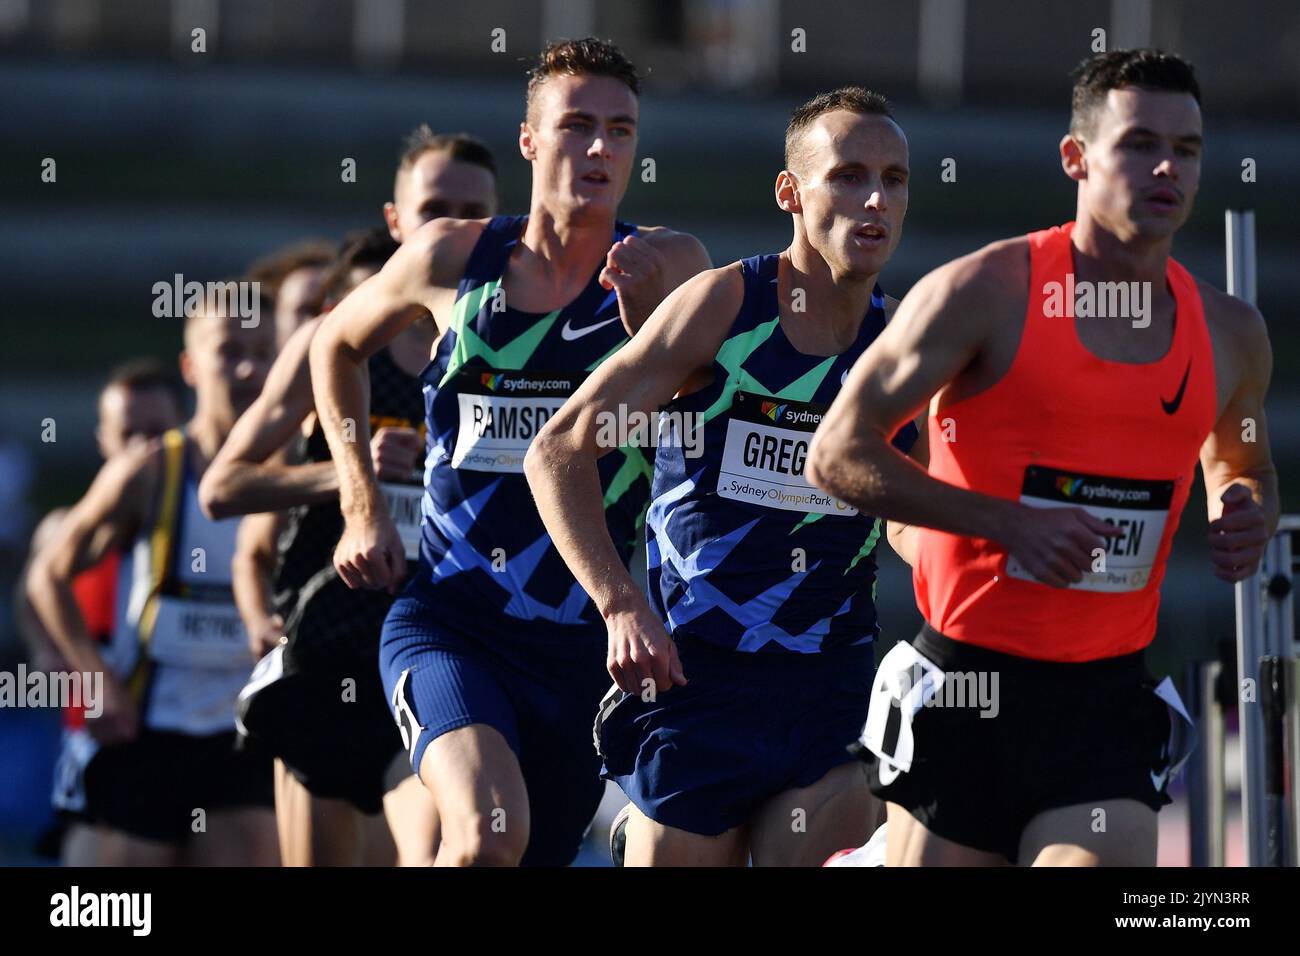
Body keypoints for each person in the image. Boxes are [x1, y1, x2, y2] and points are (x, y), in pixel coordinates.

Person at [807, 49, 1279, 867]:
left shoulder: (1231, 333)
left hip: (1104, 701)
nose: (1167, 165)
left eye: (1188, 148)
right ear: (1077, 157)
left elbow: (1244, 462)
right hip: (964, 688)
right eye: (1138, 143)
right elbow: (838, 454)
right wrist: (1005, 524)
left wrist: (1247, 504)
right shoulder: (984, 293)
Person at [310, 37, 710, 866]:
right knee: (487, 836)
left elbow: (707, 412)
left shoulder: (671, 265)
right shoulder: (454, 258)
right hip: (451, 619)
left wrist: (648, 330)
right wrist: (358, 506)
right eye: (576, 126)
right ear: (529, 140)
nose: (600, 148)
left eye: (621, 130)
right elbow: (333, 348)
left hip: (584, 645)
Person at [527, 87, 918, 866]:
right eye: (847, 175)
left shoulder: (902, 339)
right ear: (791, 192)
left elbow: (912, 516)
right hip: (696, 681)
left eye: (895, 178)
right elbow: (560, 451)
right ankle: (639, 825)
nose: (875, 198)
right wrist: (619, 604)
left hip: (828, 687)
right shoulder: (726, 308)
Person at [26, 293, 279, 866]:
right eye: (229, 351)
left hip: (238, 737)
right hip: (144, 731)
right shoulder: (151, 471)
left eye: (263, 352)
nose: (247, 368)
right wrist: (95, 683)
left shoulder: (294, 470)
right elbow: (46, 577)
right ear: (190, 367)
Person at [17, 359, 185, 862]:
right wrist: (47, 651)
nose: (140, 447)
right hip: (99, 736)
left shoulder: (208, 521)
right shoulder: (65, 531)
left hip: (188, 730)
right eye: (127, 432)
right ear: (102, 439)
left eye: (156, 432)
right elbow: (31, 591)